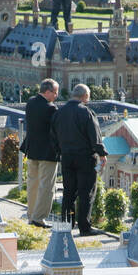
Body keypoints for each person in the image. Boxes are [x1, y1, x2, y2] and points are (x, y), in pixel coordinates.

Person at [51, 82, 106, 235]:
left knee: (69, 192)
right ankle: (84, 227)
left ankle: (66, 225)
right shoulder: (86, 113)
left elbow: (53, 137)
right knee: (86, 192)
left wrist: (60, 152)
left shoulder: (59, 113)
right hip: (85, 158)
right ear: (85, 96)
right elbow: (95, 138)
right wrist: (102, 154)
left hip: (67, 158)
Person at [21, 78, 61, 228]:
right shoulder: (51, 109)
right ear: (48, 91)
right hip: (48, 153)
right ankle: (39, 218)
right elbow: (57, 130)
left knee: (32, 184)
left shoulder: (30, 102)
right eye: (55, 92)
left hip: (31, 150)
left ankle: (31, 216)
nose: (56, 96)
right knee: (47, 186)